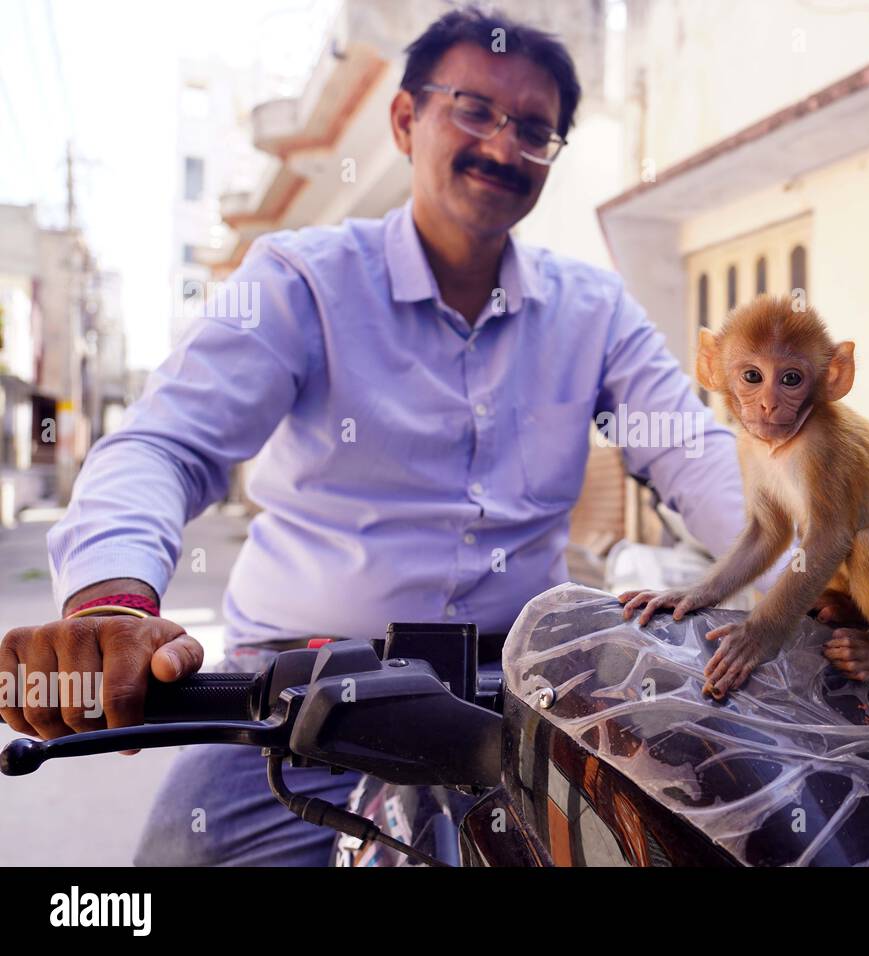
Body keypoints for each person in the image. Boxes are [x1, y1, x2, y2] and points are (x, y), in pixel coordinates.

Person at [0, 7, 824, 866]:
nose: (504, 147)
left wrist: (811, 576)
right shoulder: (301, 283)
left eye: (535, 131)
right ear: (405, 120)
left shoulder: (595, 310)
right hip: (297, 702)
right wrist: (110, 603)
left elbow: (697, 455)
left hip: (532, 705)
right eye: (474, 110)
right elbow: (164, 445)